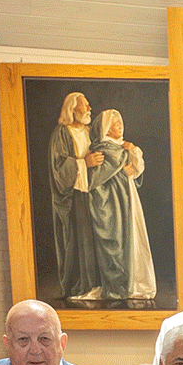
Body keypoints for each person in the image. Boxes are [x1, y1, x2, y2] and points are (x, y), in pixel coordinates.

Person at [86, 108, 158, 302]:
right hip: (112, 204)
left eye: (120, 123)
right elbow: (96, 180)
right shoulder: (103, 149)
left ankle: (134, 282)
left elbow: (135, 170)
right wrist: (121, 172)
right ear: (106, 128)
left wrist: (132, 151)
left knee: (134, 239)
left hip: (128, 200)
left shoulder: (122, 148)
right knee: (116, 242)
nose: (120, 126)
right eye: (115, 123)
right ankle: (119, 285)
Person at [49, 91, 105, 299]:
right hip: (72, 196)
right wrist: (84, 163)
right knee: (77, 239)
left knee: (93, 238)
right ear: (73, 109)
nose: (89, 109)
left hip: (91, 193)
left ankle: (95, 285)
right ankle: (79, 287)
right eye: (85, 105)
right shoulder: (61, 133)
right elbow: (59, 168)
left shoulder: (90, 131)